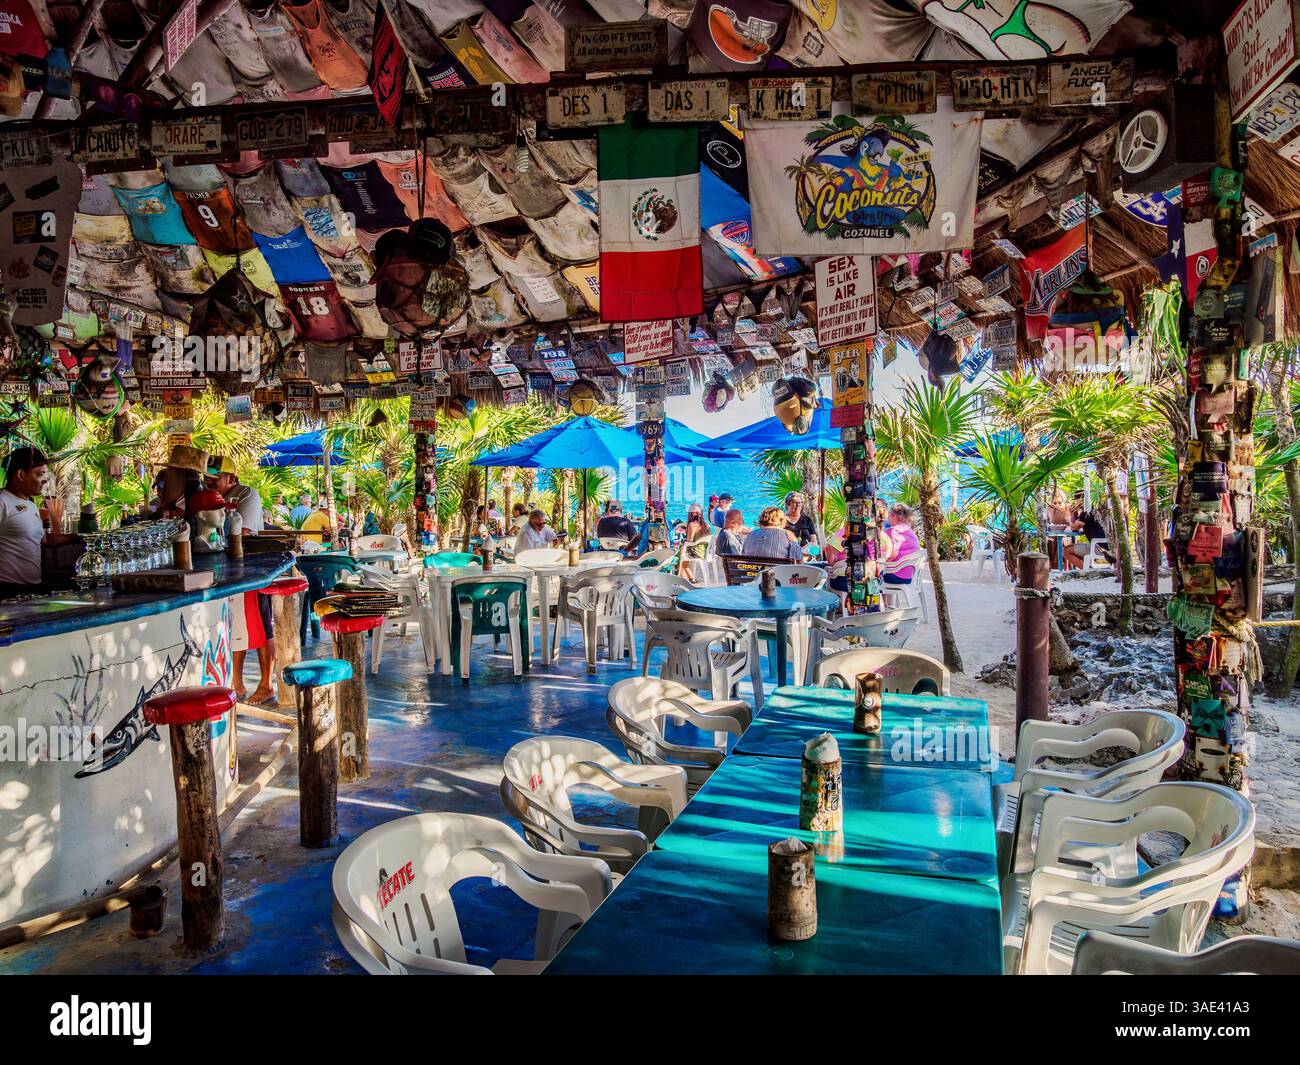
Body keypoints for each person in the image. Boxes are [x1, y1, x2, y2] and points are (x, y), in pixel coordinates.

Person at [0, 447, 53, 597]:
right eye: (40, 474)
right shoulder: (3, 502)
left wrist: (78, 537)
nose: (45, 480)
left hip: (33, 589)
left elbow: (44, 540)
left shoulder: (31, 504)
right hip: (7, 591)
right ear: (21, 475)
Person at [1067, 494, 1113, 567]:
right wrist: (1075, 514)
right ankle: (1087, 568)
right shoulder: (1095, 509)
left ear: (1081, 501)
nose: (1074, 503)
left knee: (1067, 550)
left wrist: (1071, 513)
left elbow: (1073, 528)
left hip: (1099, 547)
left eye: (1075, 501)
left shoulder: (1086, 512)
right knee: (1074, 548)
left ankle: (1086, 571)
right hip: (1107, 545)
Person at [880, 503, 921, 584]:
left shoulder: (894, 531)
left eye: (889, 516)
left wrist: (882, 562)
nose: (887, 518)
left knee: (873, 573)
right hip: (908, 575)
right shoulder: (909, 530)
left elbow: (892, 554)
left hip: (896, 575)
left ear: (894, 516)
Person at [678, 503, 712, 580]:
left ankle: (688, 578)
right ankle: (685, 578)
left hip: (696, 552)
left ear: (690, 514)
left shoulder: (692, 525)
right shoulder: (706, 525)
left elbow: (689, 542)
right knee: (682, 549)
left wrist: (683, 544)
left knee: (680, 553)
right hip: (704, 552)